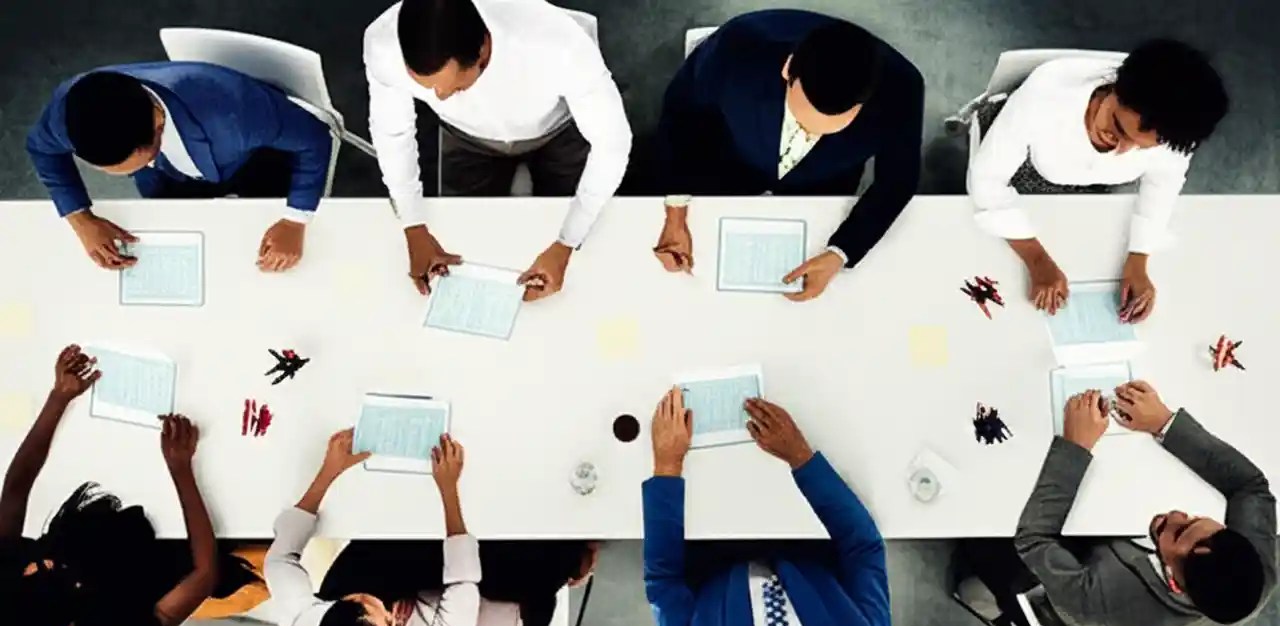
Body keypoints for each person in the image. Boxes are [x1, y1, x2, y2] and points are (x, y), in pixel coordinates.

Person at [957, 382, 1275, 626]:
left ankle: (1017, 624)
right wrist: (1164, 423)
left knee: (984, 536)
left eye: (1177, 533)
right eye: (1196, 522)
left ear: (1176, 584)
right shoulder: (1257, 571)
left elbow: (1034, 539)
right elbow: (1251, 487)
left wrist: (1075, 446)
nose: (1177, 514)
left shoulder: (1101, 605)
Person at [266, 430, 598, 626]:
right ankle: (571, 561)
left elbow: (280, 556)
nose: (371, 596)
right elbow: (464, 577)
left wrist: (330, 470)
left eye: (358, 600)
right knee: (529, 569)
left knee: (373, 556)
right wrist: (448, 488)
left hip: (413, 606)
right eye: (381, 609)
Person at [0, 345, 268, 626]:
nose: (40, 560)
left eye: (29, 562)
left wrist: (58, 398)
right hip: (194, 558)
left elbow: (16, 489)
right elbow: (204, 575)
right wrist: (181, 469)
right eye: (46, 570)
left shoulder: (8, 579)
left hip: (125, 528)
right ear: (69, 599)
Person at [643, 388, 891, 626]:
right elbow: (863, 550)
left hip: (711, 548)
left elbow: (665, 582)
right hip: (803, 535)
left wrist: (667, 465)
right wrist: (801, 457)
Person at [363, 0, 632, 302]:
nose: (439, 98)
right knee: (465, 246)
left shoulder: (557, 43)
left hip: (558, 130)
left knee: (590, 249)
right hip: (465, 136)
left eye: (455, 88)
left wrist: (567, 243)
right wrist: (413, 224)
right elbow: (393, 133)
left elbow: (612, 144)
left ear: (482, 49)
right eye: (426, 88)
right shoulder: (383, 45)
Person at [652, 10, 923, 302]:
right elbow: (681, 113)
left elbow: (898, 180)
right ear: (788, 69)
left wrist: (840, 253)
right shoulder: (738, 48)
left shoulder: (903, 88)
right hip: (729, 163)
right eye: (802, 121)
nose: (807, 134)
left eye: (826, 129)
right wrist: (676, 210)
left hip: (823, 184)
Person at [967, 39, 1229, 322]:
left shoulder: (1173, 132)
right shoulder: (1047, 93)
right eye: (1118, 127)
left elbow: (1163, 184)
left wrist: (1139, 257)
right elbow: (987, 180)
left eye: (1142, 147)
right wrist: (1037, 260)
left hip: (1089, 188)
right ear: (1114, 86)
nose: (1122, 149)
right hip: (1027, 167)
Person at [27, 63, 335, 272]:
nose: (144, 166)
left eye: (142, 160)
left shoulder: (234, 114)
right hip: (170, 177)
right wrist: (80, 218)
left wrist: (295, 220)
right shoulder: (71, 109)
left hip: (252, 163)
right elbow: (42, 149)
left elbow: (315, 139)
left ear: (158, 122)